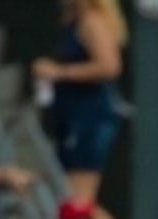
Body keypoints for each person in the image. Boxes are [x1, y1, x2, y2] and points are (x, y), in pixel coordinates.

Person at [35, 0, 128, 207]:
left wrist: (60, 72)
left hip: (87, 117)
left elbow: (109, 66)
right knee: (71, 196)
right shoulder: (71, 21)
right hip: (69, 116)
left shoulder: (91, 21)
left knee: (79, 197)